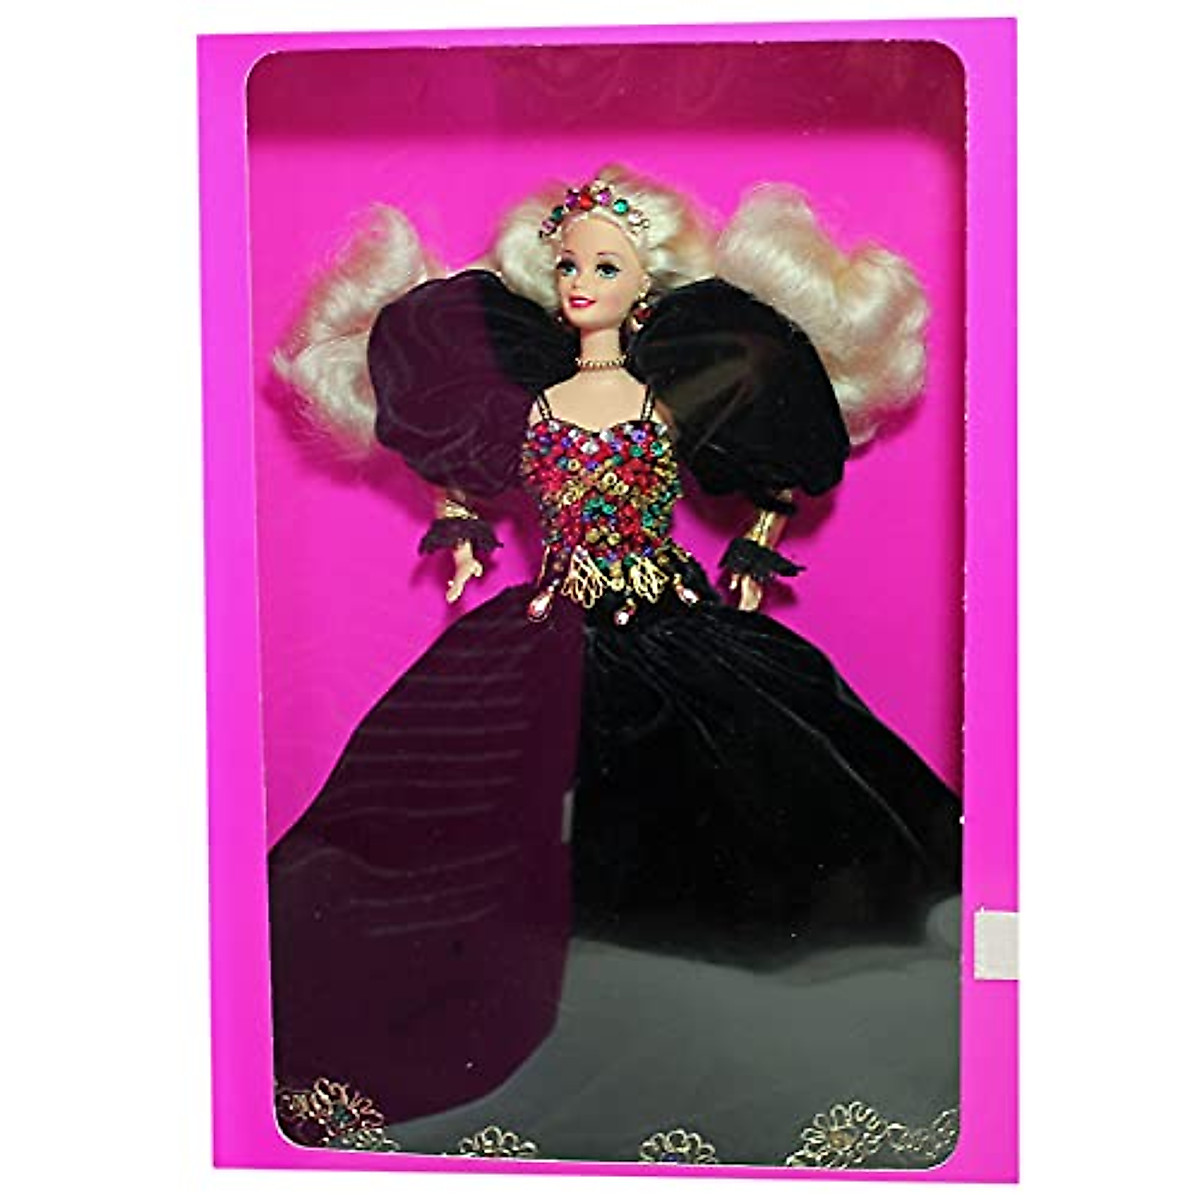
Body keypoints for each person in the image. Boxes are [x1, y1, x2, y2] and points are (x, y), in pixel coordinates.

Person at [267, 164, 962, 1165]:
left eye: (605, 265)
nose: (581, 282)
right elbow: (446, 452)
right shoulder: (531, 404)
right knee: (453, 819)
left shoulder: (673, 395)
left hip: (671, 622)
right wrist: (458, 523)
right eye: (568, 265)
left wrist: (757, 545)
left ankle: (707, 1007)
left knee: (721, 820)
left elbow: (779, 462)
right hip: (545, 624)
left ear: (648, 284)